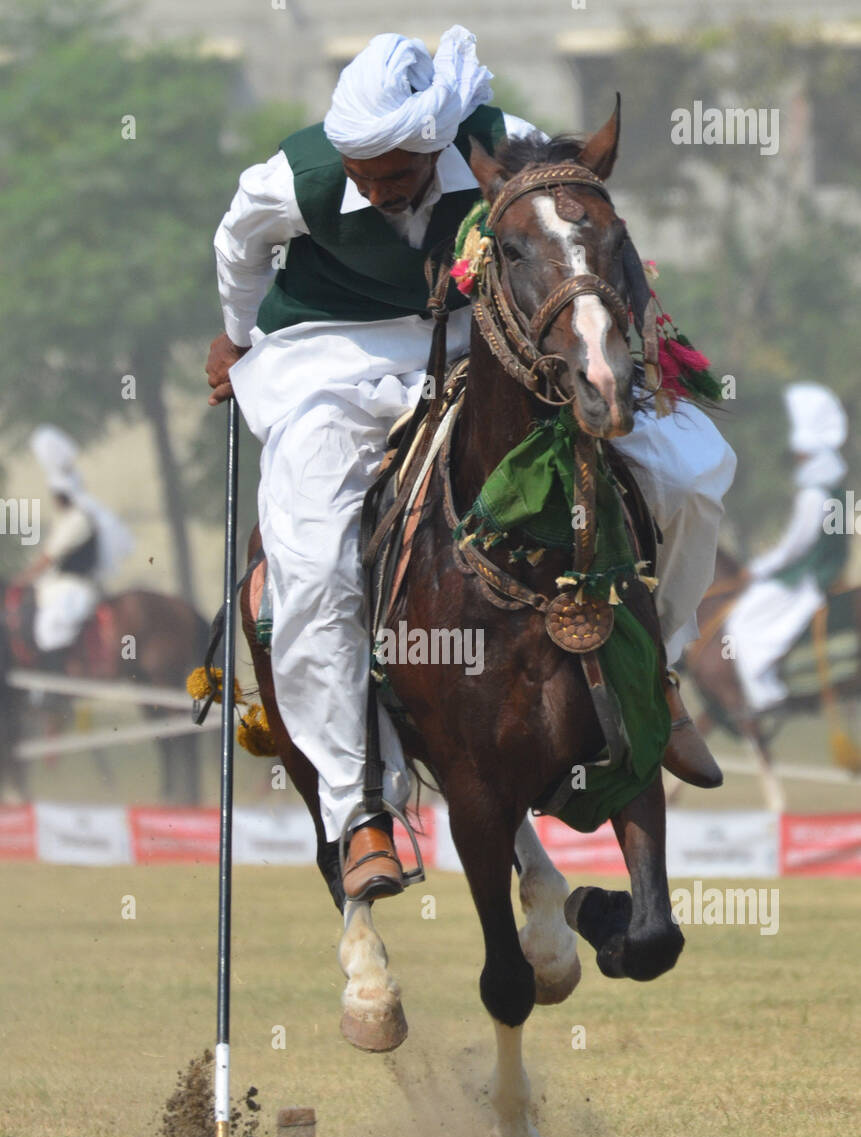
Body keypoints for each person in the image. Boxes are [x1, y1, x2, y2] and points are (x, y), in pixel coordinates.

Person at [206, 27, 736, 902]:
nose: (375, 190)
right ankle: (356, 811)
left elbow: (585, 232)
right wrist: (233, 336)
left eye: (395, 174)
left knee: (689, 469)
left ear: (436, 144)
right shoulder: (290, 177)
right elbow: (238, 246)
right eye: (359, 172)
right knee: (307, 562)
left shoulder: (502, 147)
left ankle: (658, 677)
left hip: (471, 345)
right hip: (328, 359)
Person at [726, 382, 849, 713]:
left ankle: (768, 695)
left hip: (807, 576)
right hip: (826, 568)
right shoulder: (836, 488)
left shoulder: (815, 494)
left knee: (740, 622)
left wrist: (758, 568)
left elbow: (795, 548)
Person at [18, 426, 134, 654]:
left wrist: (22, 580)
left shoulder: (77, 520)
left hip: (72, 588)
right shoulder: (66, 519)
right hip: (58, 584)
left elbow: (47, 558)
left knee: (48, 631)